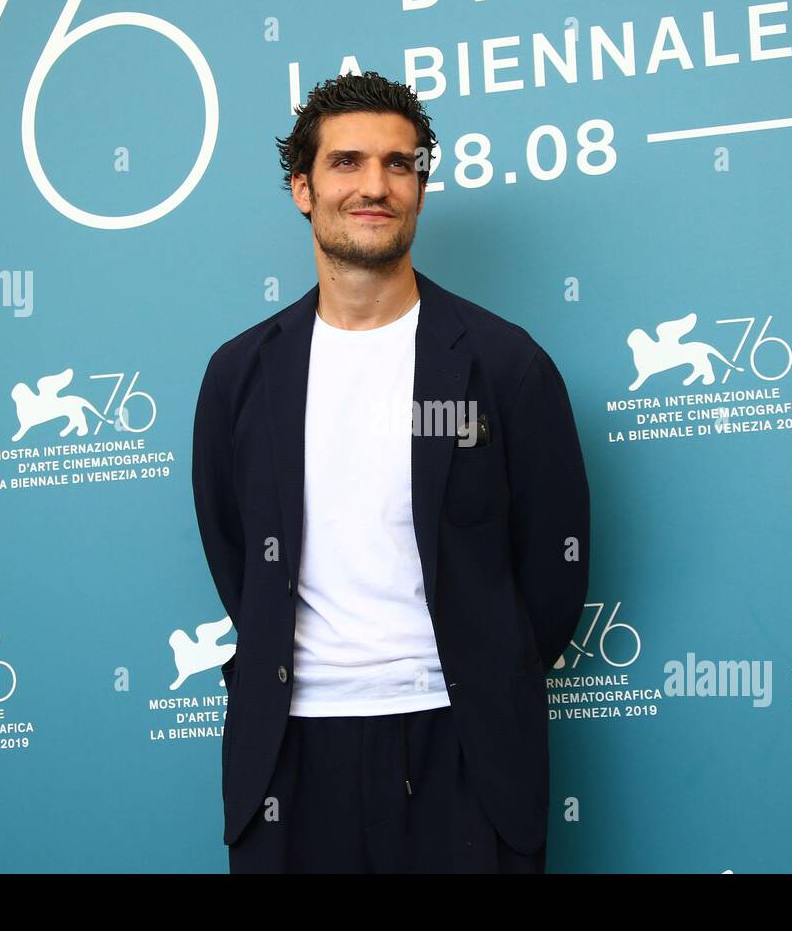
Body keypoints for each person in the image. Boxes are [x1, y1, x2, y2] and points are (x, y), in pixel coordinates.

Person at [191, 70, 590, 873]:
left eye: (399, 164)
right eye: (347, 164)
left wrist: (485, 671)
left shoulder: (503, 364)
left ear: (420, 183)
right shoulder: (241, 376)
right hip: (291, 757)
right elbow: (236, 556)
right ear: (302, 188)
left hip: (465, 751)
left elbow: (554, 569)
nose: (375, 186)